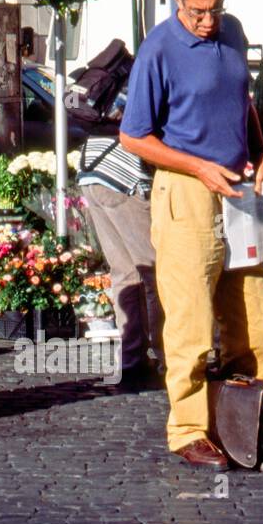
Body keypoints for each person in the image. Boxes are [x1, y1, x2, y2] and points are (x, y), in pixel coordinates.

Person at [119, 0, 263, 471]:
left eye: (216, 8)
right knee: (191, 319)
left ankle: (247, 415)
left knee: (253, 315)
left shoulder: (231, 32)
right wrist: (199, 168)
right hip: (185, 193)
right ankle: (188, 429)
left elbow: (242, 98)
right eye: (198, 12)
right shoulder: (158, 49)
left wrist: (260, 147)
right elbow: (132, 136)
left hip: (236, 190)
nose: (209, 20)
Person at [77, 134, 163, 385]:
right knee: (156, 271)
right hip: (124, 172)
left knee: (124, 270)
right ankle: (170, 356)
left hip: (93, 166)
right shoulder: (141, 91)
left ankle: (131, 357)